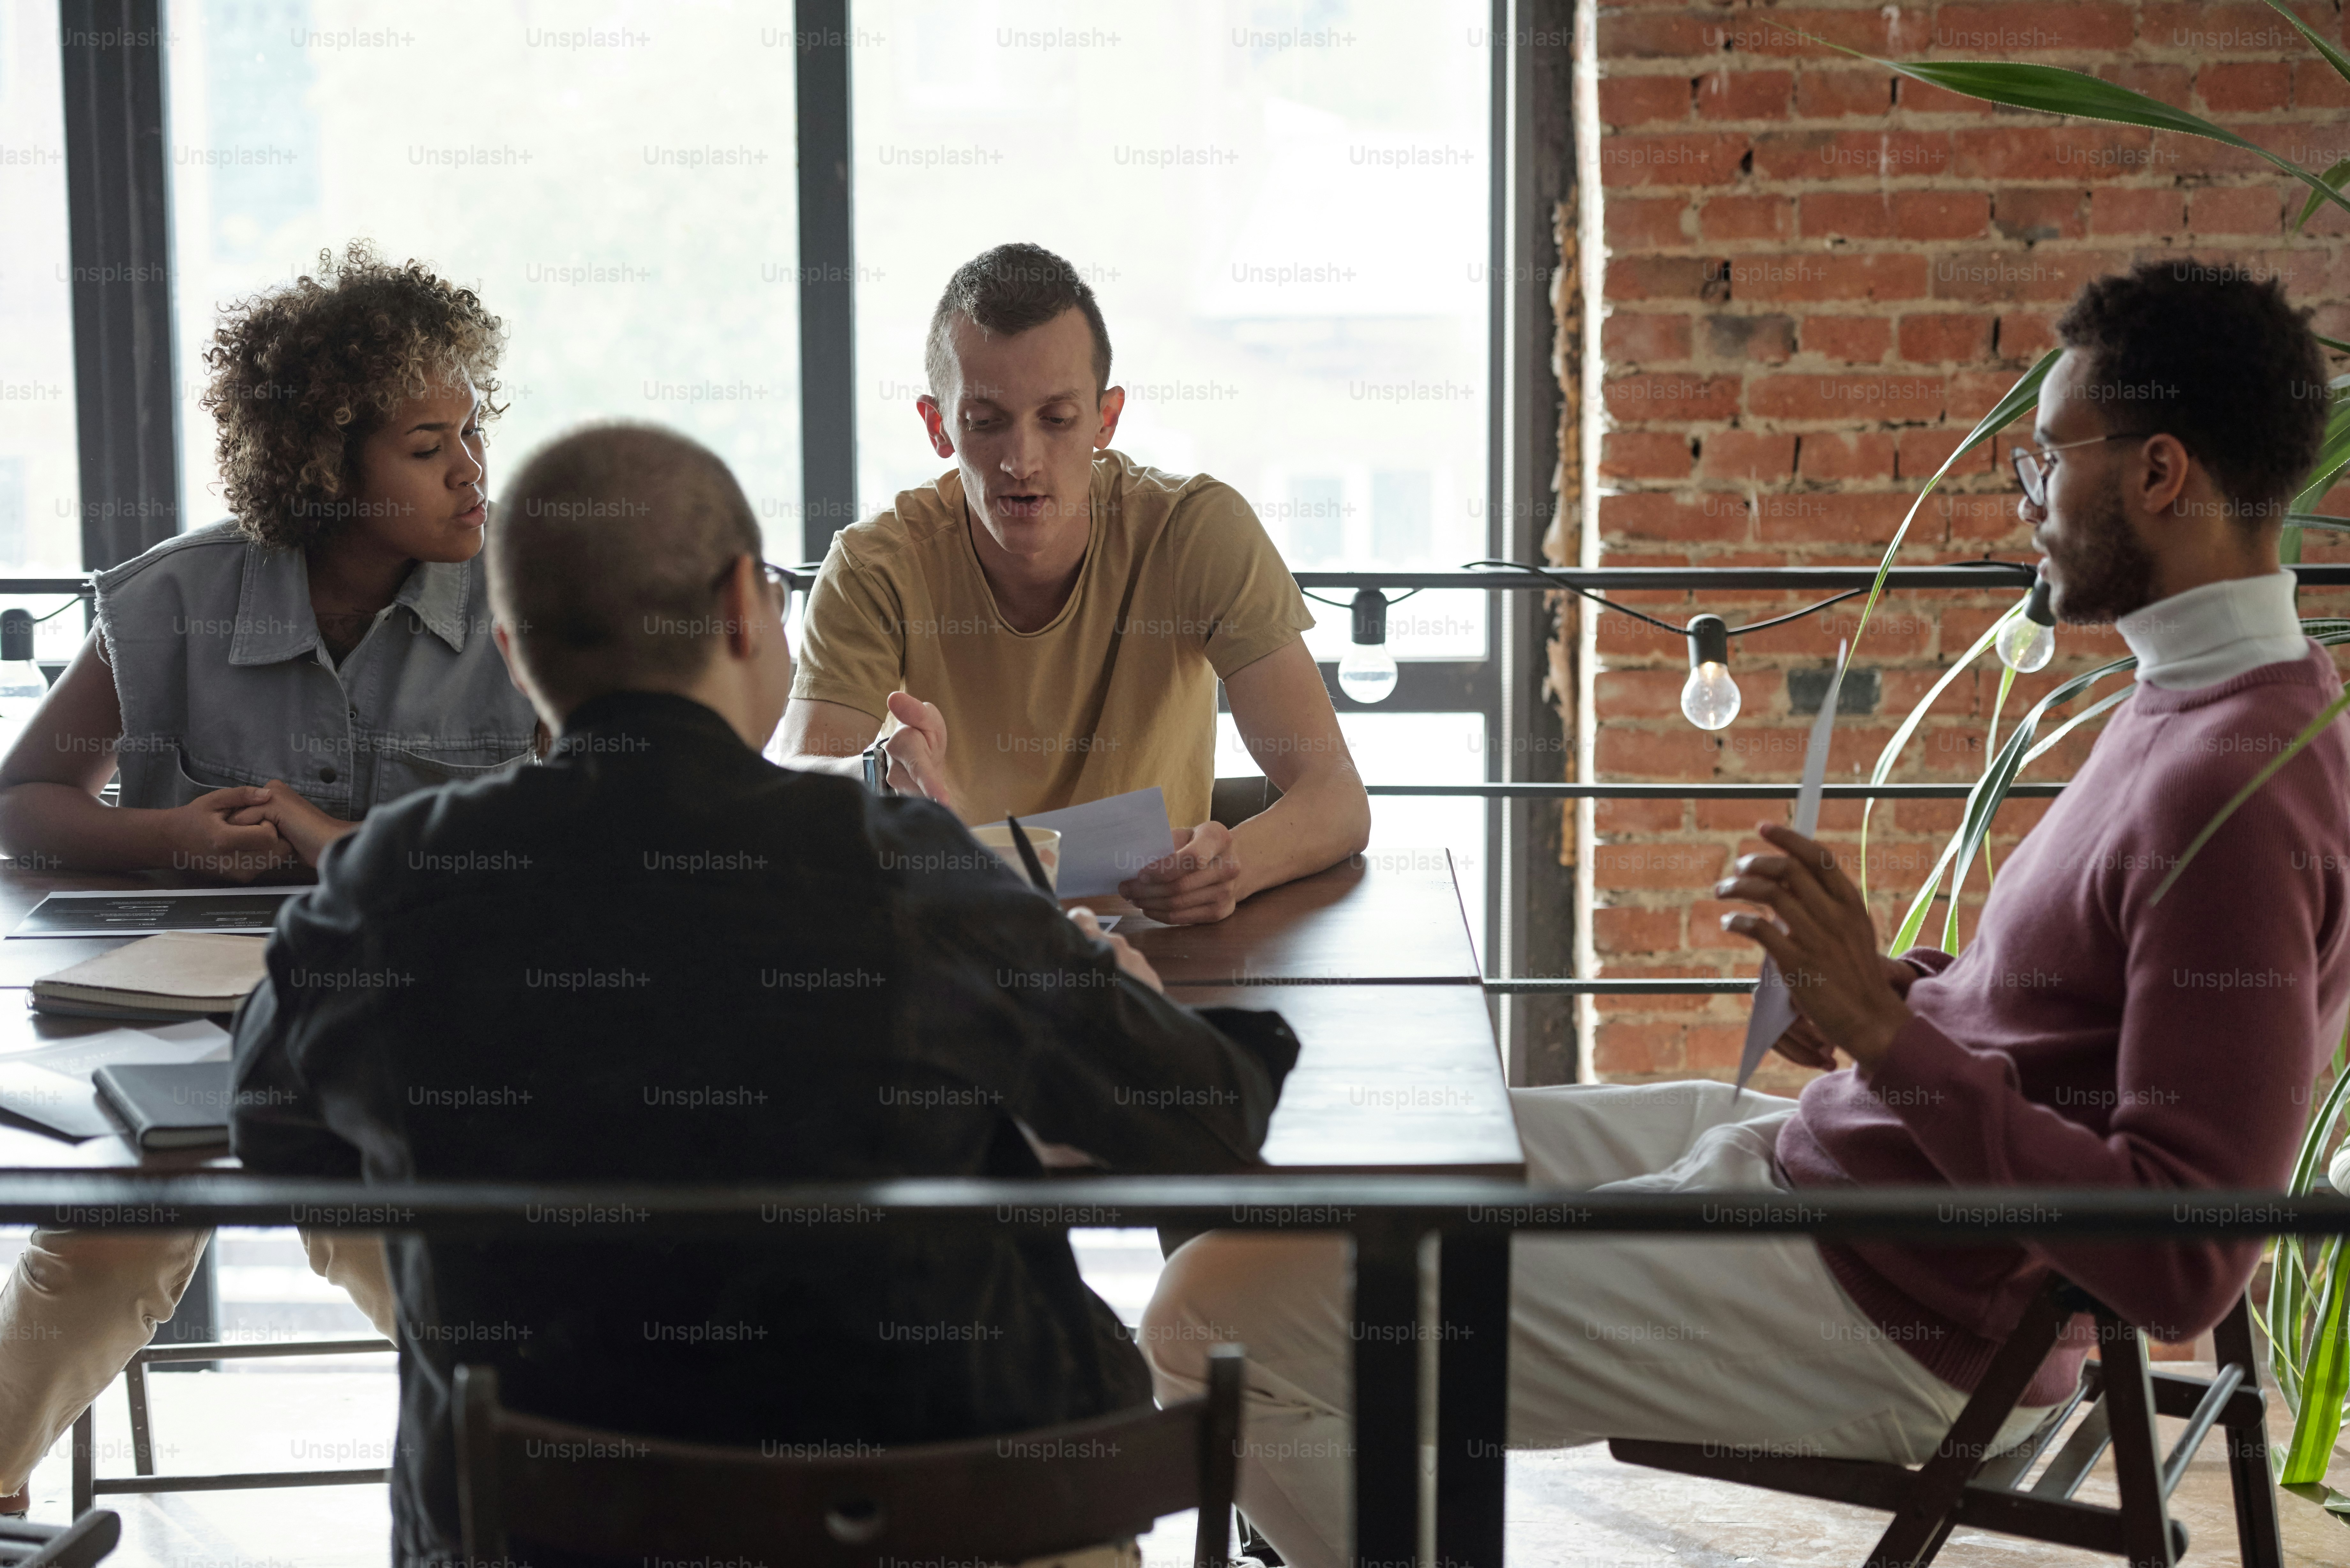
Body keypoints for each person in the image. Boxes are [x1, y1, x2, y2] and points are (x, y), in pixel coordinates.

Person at [1139, 262, 2350, 1567]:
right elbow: (2070, 1016)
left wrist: (1887, 1034)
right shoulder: (2210, 693)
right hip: (1845, 1178)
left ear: (2159, 472)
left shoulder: (2233, 789)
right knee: (1331, 1172)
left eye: (2046, 459)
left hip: (1893, 1301)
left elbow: (2184, 1259)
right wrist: (1887, 990)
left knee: (1209, 1314)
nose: (2027, 498)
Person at [229, 422, 1302, 1566]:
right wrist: (1102, 992)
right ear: (747, 605)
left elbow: (275, 1133)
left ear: (510, 646)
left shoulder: (388, 888)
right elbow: (1206, 1120)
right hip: (956, 1523)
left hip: (537, 1536)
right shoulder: (904, 869)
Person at [0, 241, 537, 1510]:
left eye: (473, 430)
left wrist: (332, 838)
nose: (473, 468)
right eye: (428, 446)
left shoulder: (527, 600)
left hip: (429, 1026)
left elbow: (580, 842)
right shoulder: (179, 596)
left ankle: (520, 1495)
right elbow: (22, 806)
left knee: (406, 1242)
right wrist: (174, 836)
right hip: (187, 1029)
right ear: (323, 465)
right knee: (109, 1231)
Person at [780, 242, 1370, 925]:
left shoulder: (1194, 531)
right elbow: (795, 795)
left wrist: (1232, 868)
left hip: (1153, 945)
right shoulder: (872, 566)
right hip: (954, 943)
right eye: (985, 422)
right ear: (939, 427)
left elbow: (1336, 797)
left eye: (1057, 420)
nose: (1022, 461)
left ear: (1105, 419)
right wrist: (873, 771)